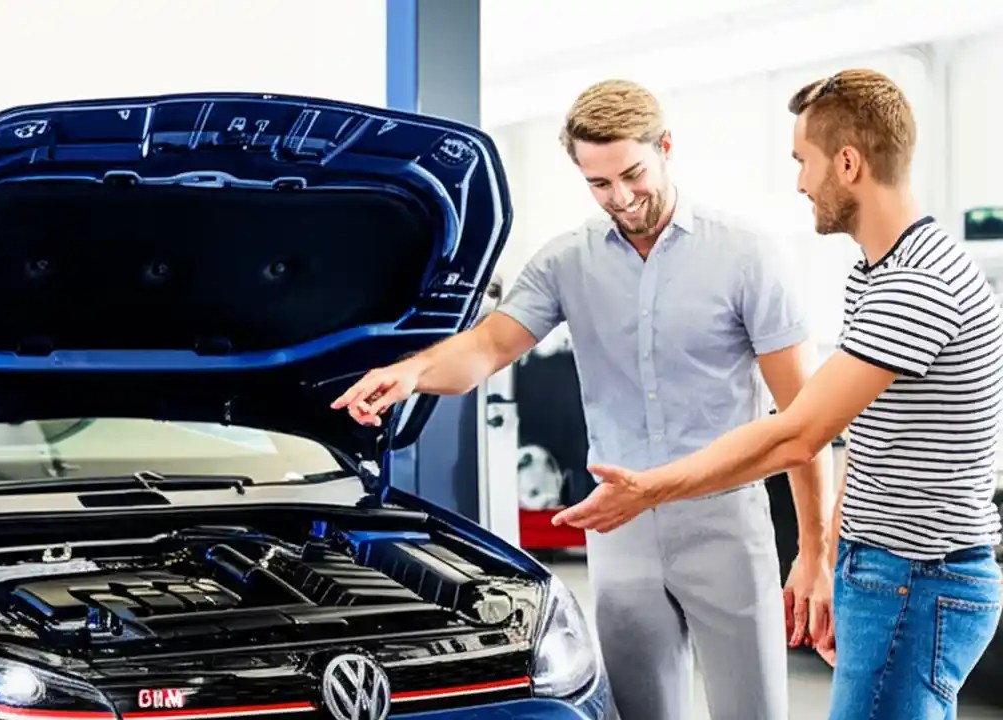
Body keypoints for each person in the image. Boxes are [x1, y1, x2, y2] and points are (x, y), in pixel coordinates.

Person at [331, 79, 833, 720]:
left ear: (666, 147)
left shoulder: (746, 254)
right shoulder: (566, 262)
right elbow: (484, 348)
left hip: (724, 524)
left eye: (632, 174)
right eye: (599, 184)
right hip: (616, 527)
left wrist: (815, 551)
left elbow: (804, 420)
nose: (621, 198)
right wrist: (410, 373)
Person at [553, 69, 1003, 719]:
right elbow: (868, 436)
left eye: (803, 162)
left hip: (919, 581)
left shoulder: (918, 286)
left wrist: (650, 488)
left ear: (847, 164)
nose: (798, 182)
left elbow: (800, 432)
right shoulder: (876, 276)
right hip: (884, 570)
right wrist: (832, 558)